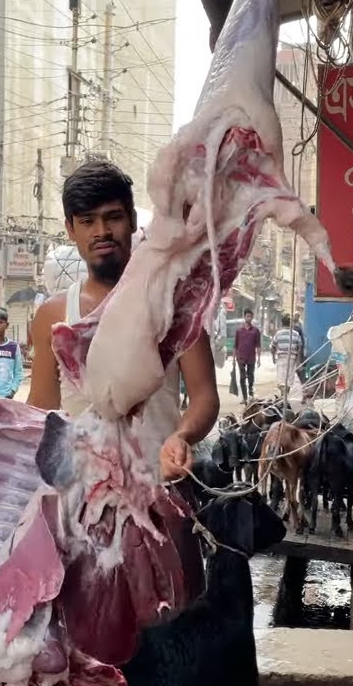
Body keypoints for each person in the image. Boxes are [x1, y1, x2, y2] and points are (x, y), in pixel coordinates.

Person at [27, 160, 220, 481]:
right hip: (83, 500)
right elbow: (41, 411)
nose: (101, 231)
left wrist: (182, 435)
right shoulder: (53, 314)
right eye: (87, 221)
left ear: (131, 219)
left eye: (112, 217)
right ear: (71, 229)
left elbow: (205, 396)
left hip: (159, 491)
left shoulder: (174, 304)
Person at [271, 314, 305, 402]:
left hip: (281, 358)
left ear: (282, 323)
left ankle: (283, 396)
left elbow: (273, 346)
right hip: (292, 359)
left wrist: (273, 358)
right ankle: (284, 396)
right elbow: (300, 347)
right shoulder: (296, 334)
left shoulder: (278, 334)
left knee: (281, 379)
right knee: (289, 380)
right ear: (290, 323)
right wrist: (298, 361)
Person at [234, 308, 261, 402]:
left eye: (250, 316)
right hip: (240, 357)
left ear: (252, 318)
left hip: (251, 357)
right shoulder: (239, 331)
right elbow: (235, 345)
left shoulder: (256, 331)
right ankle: (244, 397)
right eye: (247, 316)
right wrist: (234, 359)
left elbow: (258, 345)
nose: (248, 318)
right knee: (242, 377)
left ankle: (250, 394)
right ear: (244, 317)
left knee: (250, 376)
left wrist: (259, 359)